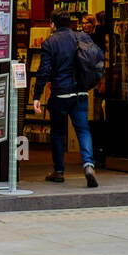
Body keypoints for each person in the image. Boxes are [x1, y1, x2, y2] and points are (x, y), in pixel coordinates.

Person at [32, 10, 100, 188]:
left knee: (57, 132)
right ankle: (89, 165)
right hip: (81, 91)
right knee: (83, 130)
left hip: (61, 92)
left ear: (53, 24)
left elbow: (44, 71)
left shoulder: (50, 42)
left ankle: (59, 171)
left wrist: (37, 95)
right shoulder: (82, 38)